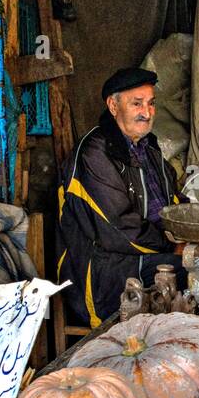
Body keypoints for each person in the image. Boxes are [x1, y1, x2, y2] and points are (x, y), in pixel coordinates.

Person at [57, 67, 182, 327]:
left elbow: (175, 204)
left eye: (151, 104)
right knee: (189, 272)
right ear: (113, 106)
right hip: (106, 272)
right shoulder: (94, 153)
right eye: (136, 104)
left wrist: (198, 231)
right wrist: (173, 246)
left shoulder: (148, 148)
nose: (146, 113)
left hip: (147, 254)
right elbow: (120, 228)